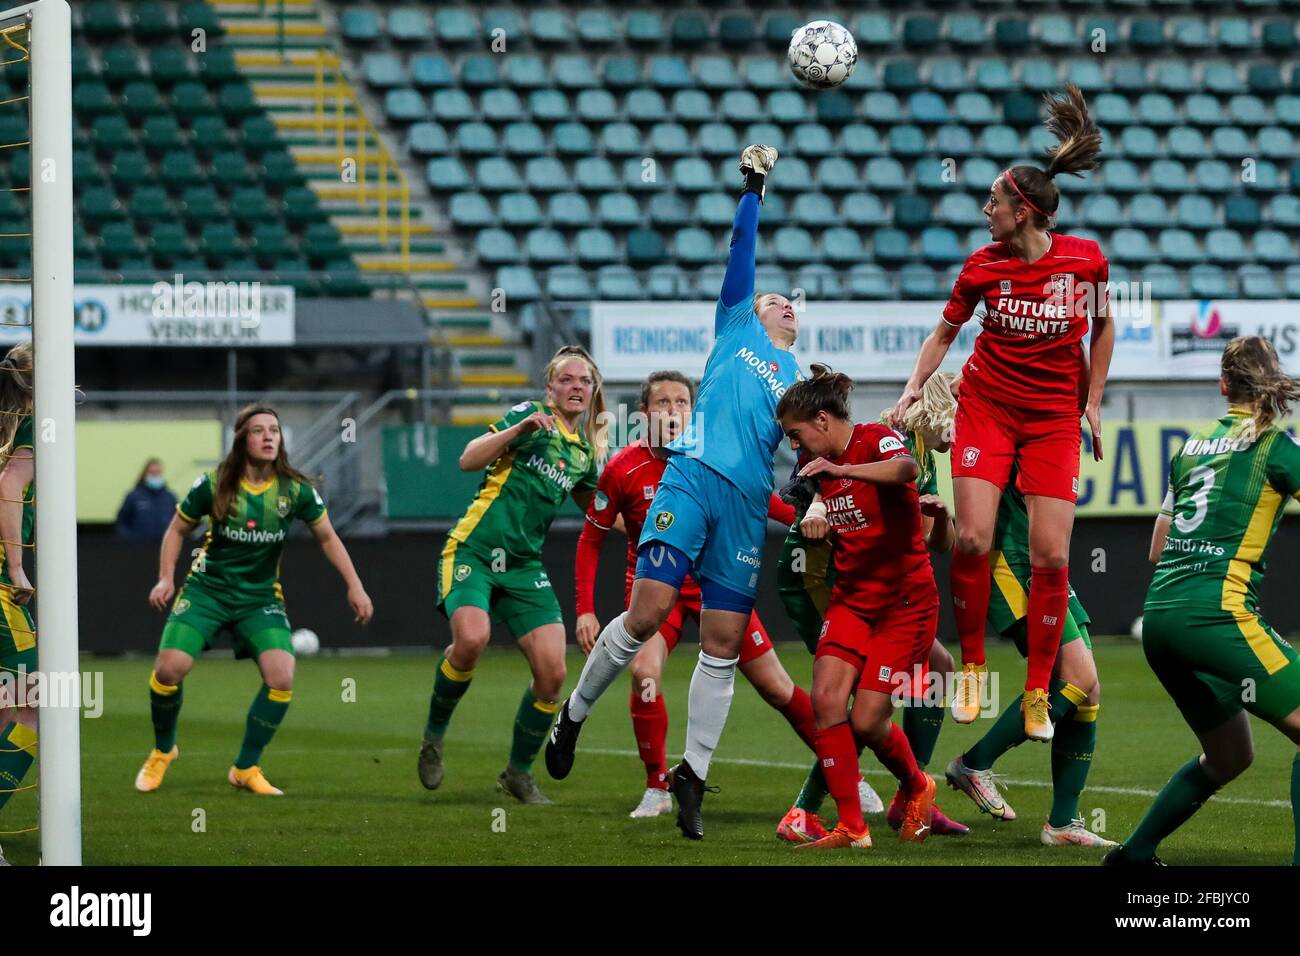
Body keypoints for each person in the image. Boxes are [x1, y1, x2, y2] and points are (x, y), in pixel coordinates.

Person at [546, 144, 800, 840]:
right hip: (691, 482)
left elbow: (813, 450)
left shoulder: (796, 377)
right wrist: (753, 190)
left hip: (745, 511)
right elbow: (742, 248)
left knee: (721, 643)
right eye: (774, 297)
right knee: (647, 612)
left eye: (789, 302)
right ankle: (572, 716)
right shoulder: (736, 323)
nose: (783, 304)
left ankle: (689, 773)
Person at [890, 84, 1113, 743]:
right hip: (987, 407)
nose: (985, 209)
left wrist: (1093, 403)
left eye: (994, 200)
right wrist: (911, 389)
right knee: (973, 539)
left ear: (1024, 210)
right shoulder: (982, 268)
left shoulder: (1084, 261)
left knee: (1051, 555)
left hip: (1049, 419)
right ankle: (975, 669)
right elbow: (944, 334)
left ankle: (1039, 689)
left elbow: (1102, 330)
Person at [575, 369, 839, 820]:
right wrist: (584, 610)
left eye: (682, 403)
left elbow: (763, 502)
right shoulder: (624, 468)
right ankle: (657, 786)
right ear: (644, 414)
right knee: (645, 674)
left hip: (717, 588)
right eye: (663, 403)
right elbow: (590, 539)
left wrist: (810, 518)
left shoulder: (713, 458)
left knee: (777, 688)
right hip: (660, 595)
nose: (674, 411)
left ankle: (844, 775)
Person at [1106, 337, 1300, 866]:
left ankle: (1134, 855)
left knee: (1230, 754)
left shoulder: (1189, 447)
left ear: (1222, 386)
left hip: (1162, 619)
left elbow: (1155, 549)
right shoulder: (1277, 449)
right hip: (1215, 615)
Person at [134, 404, 373, 797]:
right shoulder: (214, 485)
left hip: (259, 598)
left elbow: (328, 537)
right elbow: (176, 530)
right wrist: (165, 577)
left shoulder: (295, 490)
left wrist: (355, 585)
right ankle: (163, 750)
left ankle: (246, 767)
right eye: (259, 430)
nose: (268, 437)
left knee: (282, 677)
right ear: (242, 440)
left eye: (274, 431)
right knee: (169, 669)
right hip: (207, 591)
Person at [774, 370, 964, 842]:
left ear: (821, 420)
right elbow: (816, 505)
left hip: (905, 604)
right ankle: (851, 826)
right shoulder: (816, 467)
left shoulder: (875, 441)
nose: (794, 445)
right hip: (852, 601)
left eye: (797, 434)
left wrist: (840, 473)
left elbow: (906, 471)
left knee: (868, 719)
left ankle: (918, 787)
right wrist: (819, 514)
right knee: (827, 700)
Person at [419, 346, 606, 806]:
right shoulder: (529, 417)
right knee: (471, 640)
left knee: (553, 672)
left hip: (523, 567)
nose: (576, 386)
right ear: (550, 388)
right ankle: (433, 739)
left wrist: (657, 520)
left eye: (584, 380)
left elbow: (601, 515)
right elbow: (467, 459)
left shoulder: (583, 454)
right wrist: (518, 430)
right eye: (567, 379)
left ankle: (518, 774)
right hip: (475, 551)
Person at [0, 342, 35, 866]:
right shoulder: (29, 429)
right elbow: (7, 490)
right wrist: (16, 567)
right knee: (31, 702)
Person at [115, 458, 178, 542]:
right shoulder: (133, 496)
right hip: (138, 547)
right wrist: (129, 539)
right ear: (144, 474)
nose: (155, 475)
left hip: (164, 545)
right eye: (152, 472)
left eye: (158, 472)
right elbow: (122, 522)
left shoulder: (170, 497)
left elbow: (178, 523)